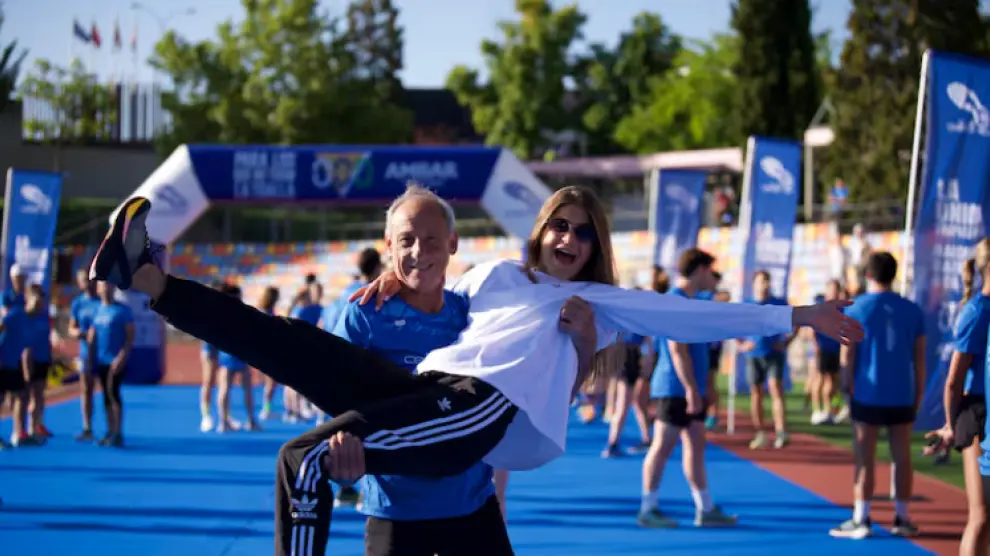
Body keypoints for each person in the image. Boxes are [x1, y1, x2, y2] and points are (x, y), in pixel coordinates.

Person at [89, 192, 861, 556]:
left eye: (582, 232)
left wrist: (794, 315)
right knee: (291, 342)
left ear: (595, 248)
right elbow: (433, 287)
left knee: (299, 461)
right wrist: (391, 279)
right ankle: (150, 280)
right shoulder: (492, 278)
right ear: (540, 229)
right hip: (428, 403)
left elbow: (689, 316)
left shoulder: (597, 302)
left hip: (476, 418)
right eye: (558, 224)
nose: (566, 239)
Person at [326, 187, 510, 554]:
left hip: (473, 508)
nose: (418, 252)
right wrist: (342, 449)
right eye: (406, 240)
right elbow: (331, 393)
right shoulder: (363, 315)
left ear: (453, 242)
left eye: (431, 240)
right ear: (388, 244)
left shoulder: (476, 315)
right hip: (395, 513)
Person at [638, 248, 737, 528]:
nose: (713, 278)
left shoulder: (691, 300)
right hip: (674, 387)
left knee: (695, 444)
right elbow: (676, 349)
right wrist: (692, 388)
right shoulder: (676, 301)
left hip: (688, 387)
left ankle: (705, 508)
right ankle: (648, 506)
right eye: (710, 271)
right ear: (700, 270)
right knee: (662, 446)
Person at [830, 251, 923, 539]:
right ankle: (902, 517)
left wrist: (846, 387)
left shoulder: (856, 308)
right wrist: (918, 394)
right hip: (901, 394)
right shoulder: (913, 310)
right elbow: (919, 359)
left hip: (867, 393)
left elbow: (848, 355)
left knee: (864, 456)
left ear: (868, 274)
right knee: (902, 455)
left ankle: (862, 517)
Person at [926, 240, 990, 554]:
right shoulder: (977, 311)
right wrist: (951, 426)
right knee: (980, 516)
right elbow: (954, 380)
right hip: (977, 413)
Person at [316, 248, 383, 508]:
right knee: (375, 433)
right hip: (368, 371)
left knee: (344, 431)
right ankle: (369, 491)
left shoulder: (342, 296)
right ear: (377, 267)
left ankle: (345, 489)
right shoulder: (377, 293)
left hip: (337, 370)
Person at [737, 270, 791, 449]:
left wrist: (787, 341)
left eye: (767, 281)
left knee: (776, 389)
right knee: (756, 392)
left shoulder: (779, 303)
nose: (765, 285)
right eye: (761, 281)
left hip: (774, 353)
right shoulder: (747, 305)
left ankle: (781, 431)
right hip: (753, 355)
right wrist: (741, 345)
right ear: (754, 285)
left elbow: (796, 323)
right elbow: (733, 326)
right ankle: (760, 432)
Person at [87, 281, 134, 447]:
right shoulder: (97, 309)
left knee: (113, 391)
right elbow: (93, 335)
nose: (106, 288)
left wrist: (122, 355)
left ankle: (118, 432)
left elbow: (130, 336)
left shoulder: (122, 310)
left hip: (115, 359)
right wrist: (89, 358)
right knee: (106, 396)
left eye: (109, 285)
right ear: (99, 289)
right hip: (101, 359)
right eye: (103, 285)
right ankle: (110, 430)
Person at [601, 322, 651, 458]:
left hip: (625, 354)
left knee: (637, 402)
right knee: (624, 404)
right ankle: (613, 443)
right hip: (629, 356)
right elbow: (648, 340)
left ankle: (646, 438)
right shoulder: (639, 316)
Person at [214, 284, 261, 433]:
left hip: (228, 353)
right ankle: (250, 420)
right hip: (238, 353)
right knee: (244, 388)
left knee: (226, 388)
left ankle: (223, 422)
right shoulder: (241, 311)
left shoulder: (220, 312)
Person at [68, 269, 100, 441]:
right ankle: (87, 427)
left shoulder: (102, 301)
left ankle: (113, 429)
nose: (88, 284)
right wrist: (80, 333)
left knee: (109, 391)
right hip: (86, 353)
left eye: (89, 280)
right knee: (86, 390)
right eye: (83, 281)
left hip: (102, 354)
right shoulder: (78, 304)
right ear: (79, 284)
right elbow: (71, 329)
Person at [810, 280, 843, 425]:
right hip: (823, 348)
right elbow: (812, 328)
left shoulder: (842, 308)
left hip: (837, 349)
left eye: (837, 290)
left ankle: (830, 411)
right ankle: (817, 410)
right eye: (832, 289)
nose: (834, 292)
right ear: (827, 291)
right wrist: (816, 346)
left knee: (834, 381)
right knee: (820, 379)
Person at [24, 284, 53, 439]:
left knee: (39, 394)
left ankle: (37, 424)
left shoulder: (44, 316)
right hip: (29, 359)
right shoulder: (26, 315)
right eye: (37, 297)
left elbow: (47, 337)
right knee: (25, 394)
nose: (40, 300)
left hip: (43, 358)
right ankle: (27, 428)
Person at [0, 298, 29, 448]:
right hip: (4, 363)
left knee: (20, 396)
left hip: (13, 363)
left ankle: (18, 433)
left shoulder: (25, 317)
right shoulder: (15, 314)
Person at [199, 280, 225, 433]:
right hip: (210, 348)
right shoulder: (206, 307)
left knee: (223, 383)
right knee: (208, 381)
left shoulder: (224, 306)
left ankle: (224, 416)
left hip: (223, 348)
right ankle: (206, 415)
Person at [704, 289, 730, 431]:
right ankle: (707, 413)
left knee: (710, 383)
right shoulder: (701, 296)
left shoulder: (711, 296)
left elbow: (725, 296)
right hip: (702, 347)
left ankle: (713, 415)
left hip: (712, 350)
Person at [258, 286, 282, 421]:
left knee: (271, 382)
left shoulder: (269, 311)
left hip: (268, 350)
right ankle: (265, 409)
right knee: (271, 382)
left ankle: (266, 408)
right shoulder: (264, 312)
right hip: (267, 351)